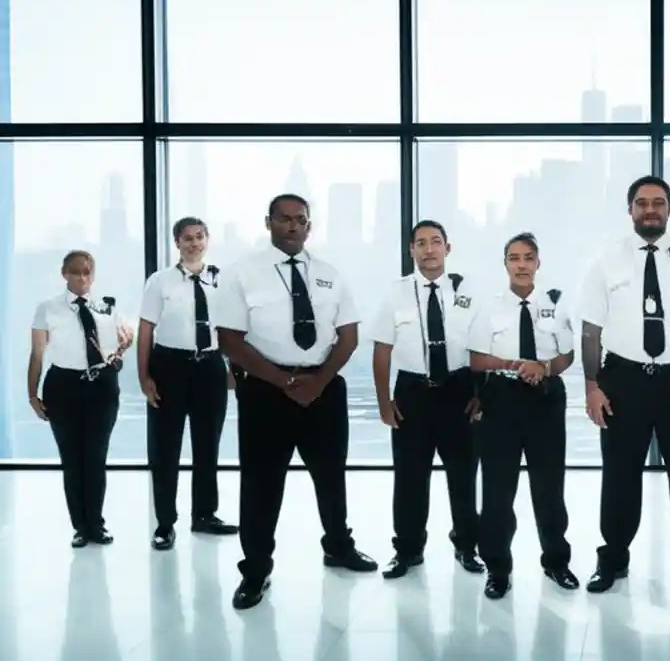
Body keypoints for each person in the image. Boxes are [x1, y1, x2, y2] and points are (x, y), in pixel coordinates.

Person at [216, 194, 377, 611]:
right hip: (266, 392)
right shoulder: (242, 273)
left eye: (300, 220)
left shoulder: (329, 275)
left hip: (323, 389)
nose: (292, 226)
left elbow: (349, 335)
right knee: (260, 484)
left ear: (310, 226)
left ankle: (338, 547)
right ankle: (255, 571)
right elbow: (229, 340)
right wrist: (284, 380)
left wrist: (318, 381)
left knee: (331, 476)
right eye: (284, 219)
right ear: (268, 222)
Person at [579, 175, 670, 599]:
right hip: (622, 380)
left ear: (669, 210)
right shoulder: (606, 262)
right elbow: (591, 330)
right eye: (641, 203)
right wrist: (592, 386)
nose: (650, 210)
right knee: (620, 475)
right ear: (630, 210)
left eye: (658, 203)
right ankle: (613, 560)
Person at [468, 232, 578, 599]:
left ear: (538, 262)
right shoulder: (490, 306)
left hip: (545, 399)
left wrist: (544, 367)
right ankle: (498, 569)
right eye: (514, 258)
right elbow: (476, 359)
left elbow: (568, 355)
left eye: (528, 258)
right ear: (505, 263)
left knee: (549, 488)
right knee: (498, 491)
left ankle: (557, 562)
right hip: (502, 398)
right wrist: (518, 364)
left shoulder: (555, 303)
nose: (521, 265)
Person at [372, 219, 484, 580]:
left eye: (436, 242)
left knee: (463, 476)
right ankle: (407, 550)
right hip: (412, 393)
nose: (429, 249)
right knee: (409, 477)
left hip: (459, 391)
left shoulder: (468, 292)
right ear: (411, 250)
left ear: (448, 248)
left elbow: (483, 347)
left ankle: (467, 546)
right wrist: (383, 403)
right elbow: (382, 350)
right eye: (421, 243)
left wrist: (481, 395)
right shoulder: (395, 292)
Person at [138, 217, 238, 550]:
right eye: (186, 238)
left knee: (208, 445)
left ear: (207, 240)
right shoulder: (160, 281)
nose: (193, 243)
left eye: (199, 237)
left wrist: (231, 367)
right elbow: (146, 331)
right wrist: (144, 377)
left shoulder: (222, 280)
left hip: (209, 366)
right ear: (176, 243)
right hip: (169, 366)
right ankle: (164, 523)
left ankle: (205, 515)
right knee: (165, 448)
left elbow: (232, 329)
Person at [27, 250, 134, 547]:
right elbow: (37, 354)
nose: (82, 277)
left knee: (96, 457)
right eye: (76, 272)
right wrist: (32, 394)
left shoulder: (106, 306)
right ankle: (80, 527)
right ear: (64, 274)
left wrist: (125, 344)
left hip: (101, 386)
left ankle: (96, 524)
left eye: (88, 272)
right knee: (72, 459)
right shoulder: (47, 309)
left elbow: (122, 340)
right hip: (63, 387)